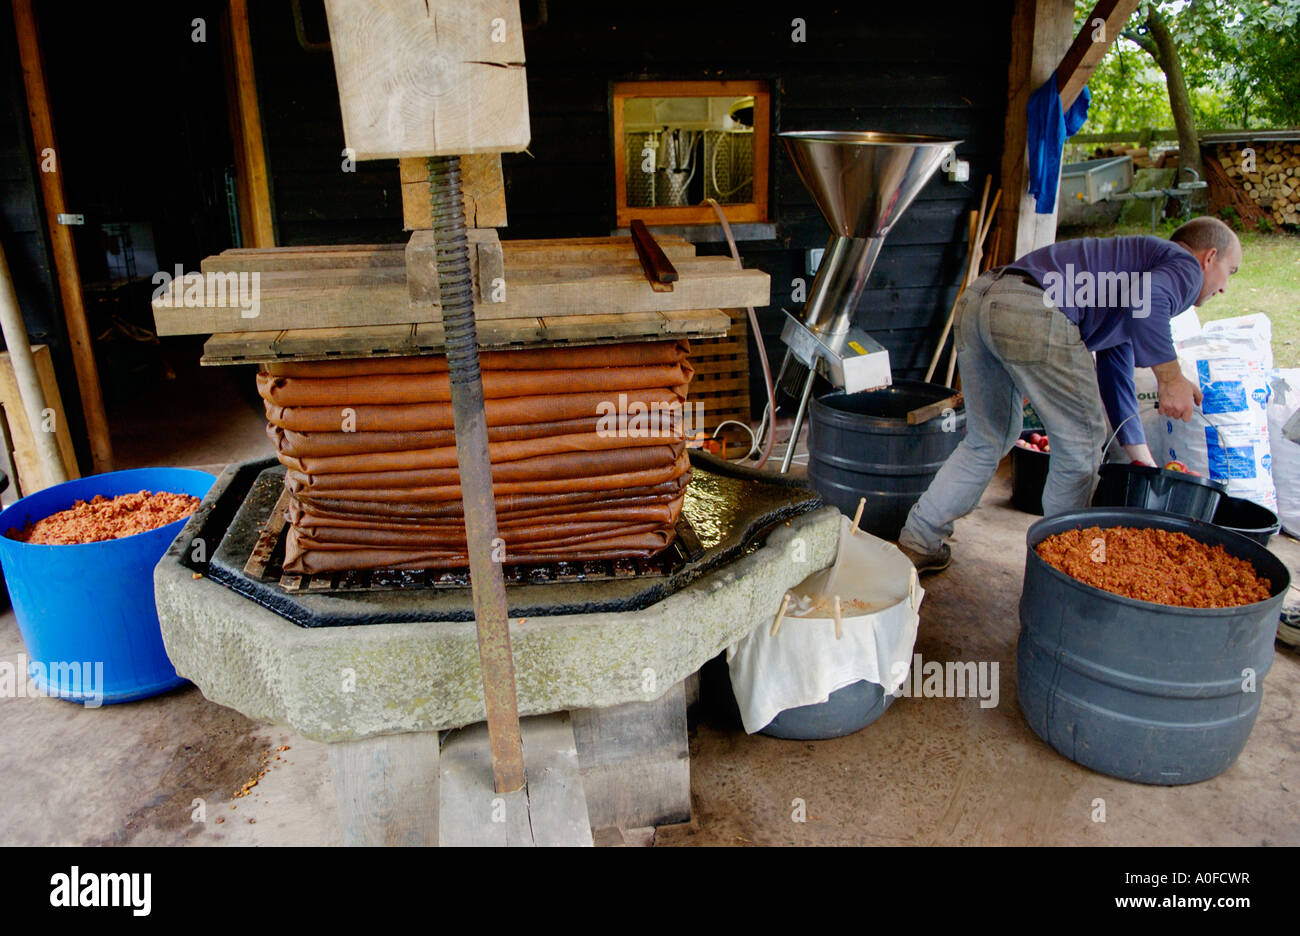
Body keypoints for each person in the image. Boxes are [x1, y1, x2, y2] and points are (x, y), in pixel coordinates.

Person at [897, 216, 1242, 573]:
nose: (1225, 288)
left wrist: (1141, 458)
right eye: (1230, 271)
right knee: (1080, 446)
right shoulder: (1183, 266)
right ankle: (1062, 571)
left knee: (988, 439)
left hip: (982, 298)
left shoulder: (1133, 266)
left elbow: (1116, 373)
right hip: (1034, 306)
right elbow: (1150, 299)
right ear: (1209, 257)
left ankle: (918, 541)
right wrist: (1171, 379)